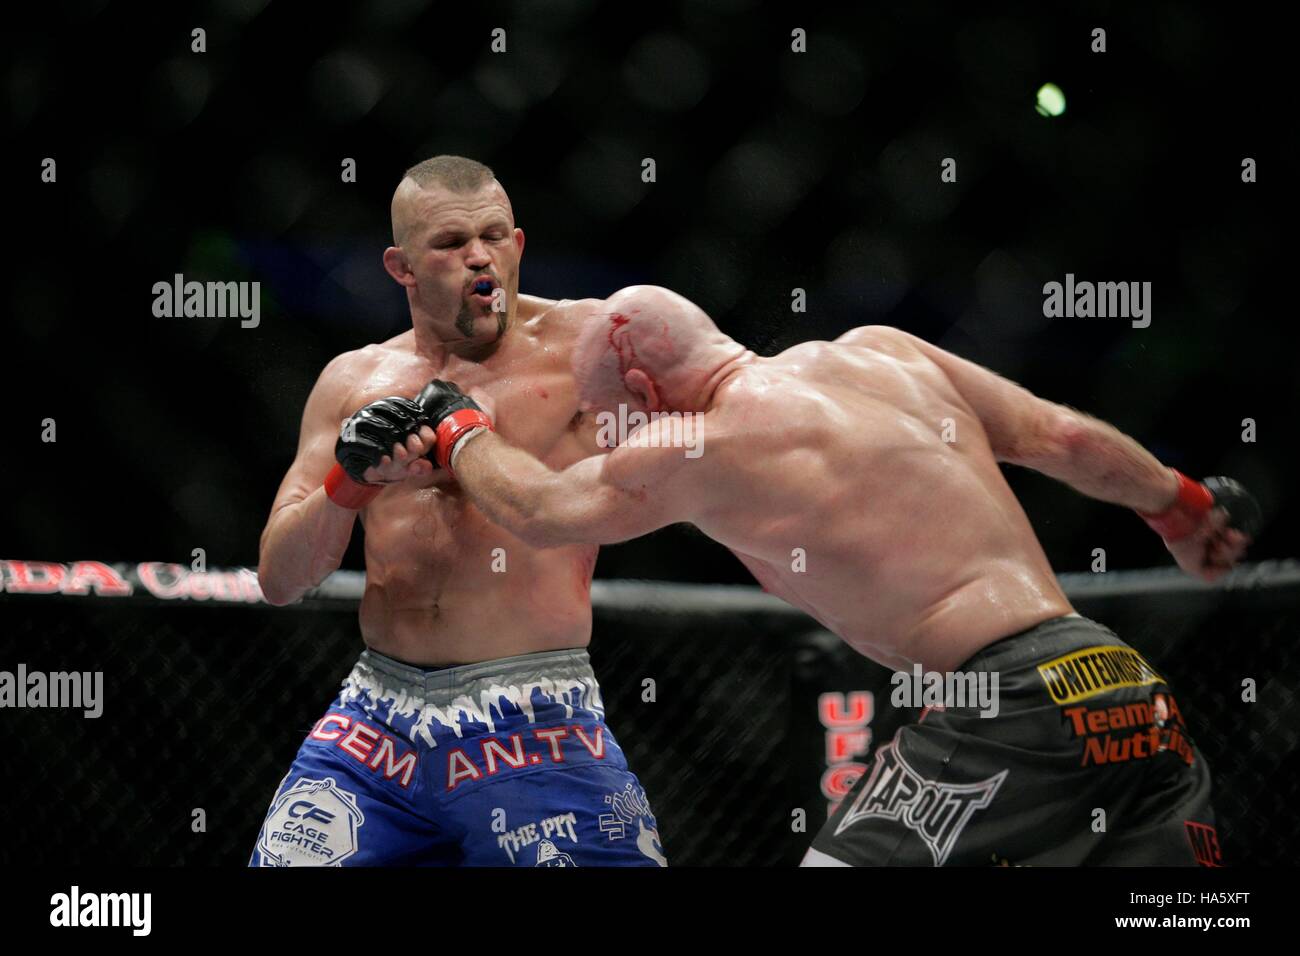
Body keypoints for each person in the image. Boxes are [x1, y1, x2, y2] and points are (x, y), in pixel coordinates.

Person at [418, 285, 1259, 866]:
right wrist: (1180, 506)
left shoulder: (694, 446)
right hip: (1119, 680)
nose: (607, 437)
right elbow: (1063, 439)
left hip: (1005, 700)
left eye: (606, 414)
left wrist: (457, 427)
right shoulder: (884, 355)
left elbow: (542, 510)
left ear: (641, 385)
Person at [250, 156, 668, 867]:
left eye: (495, 235)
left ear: (519, 245)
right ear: (401, 266)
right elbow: (280, 578)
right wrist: (346, 486)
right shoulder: (354, 381)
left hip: (536, 721)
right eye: (449, 243)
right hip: (374, 727)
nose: (480, 256)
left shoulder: (591, 351)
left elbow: (721, 432)